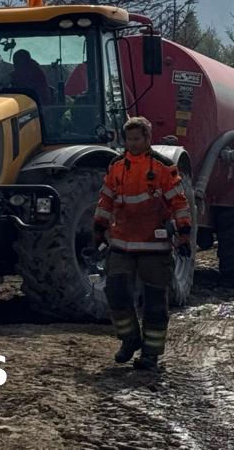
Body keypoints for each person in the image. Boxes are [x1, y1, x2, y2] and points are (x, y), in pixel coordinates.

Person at [92, 116, 192, 371]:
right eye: (129, 139)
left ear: (148, 138)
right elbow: (106, 200)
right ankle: (129, 340)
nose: (133, 143)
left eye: (138, 138)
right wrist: (99, 228)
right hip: (122, 242)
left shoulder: (162, 167)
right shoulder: (117, 166)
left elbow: (178, 203)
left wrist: (183, 233)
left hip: (154, 246)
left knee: (156, 302)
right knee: (115, 292)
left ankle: (151, 354)